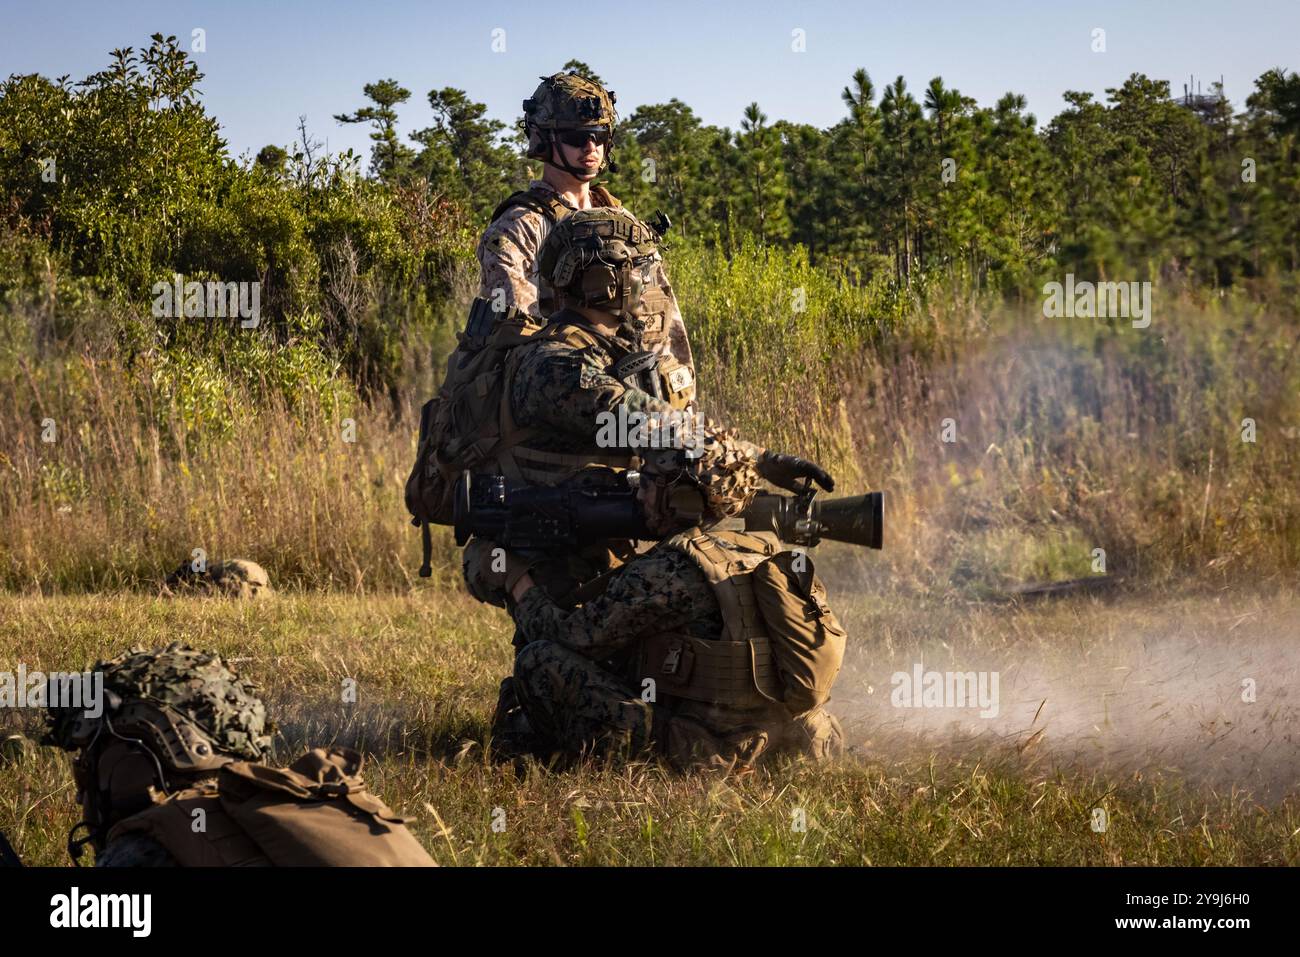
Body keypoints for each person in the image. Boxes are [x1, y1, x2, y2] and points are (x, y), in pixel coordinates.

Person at [500, 439, 846, 771]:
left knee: (539, 660)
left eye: (648, 483)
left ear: (681, 497)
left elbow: (574, 636)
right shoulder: (761, 546)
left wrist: (516, 581)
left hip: (701, 748)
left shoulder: (671, 569)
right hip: (771, 738)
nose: (638, 494)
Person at [45, 643, 436, 867]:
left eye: (94, 757)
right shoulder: (329, 809)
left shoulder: (153, 843)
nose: (84, 791)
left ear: (156, 745)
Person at [473, 70, 694, 384]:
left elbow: (666, 324)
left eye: (599, 136)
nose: (591, 146)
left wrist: (678, 398)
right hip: (562, 400)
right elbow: (517, 339)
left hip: (638, 397)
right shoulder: (518, 228)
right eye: (577, 137)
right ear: (545, 140)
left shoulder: (624, 224)